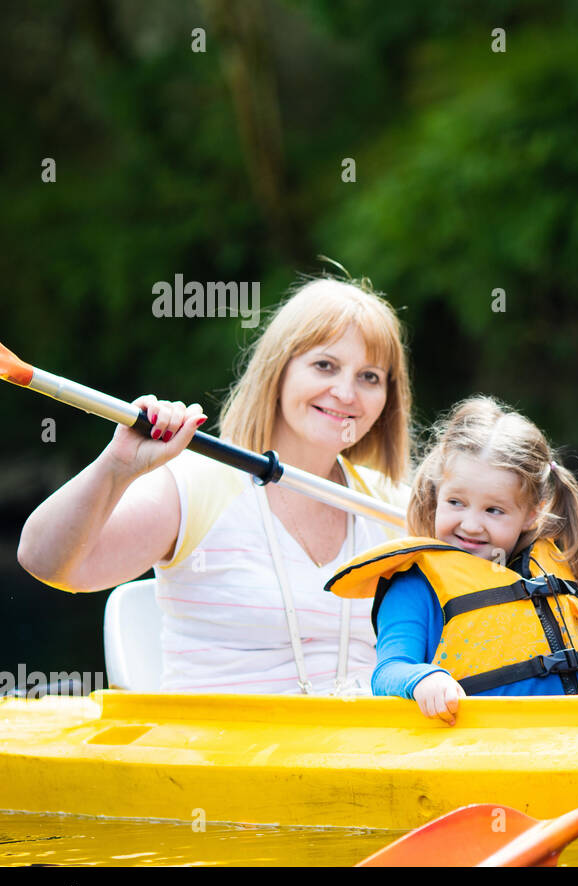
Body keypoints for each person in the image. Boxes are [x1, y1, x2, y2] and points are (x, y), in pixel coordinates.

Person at [17, 277, 413, 695]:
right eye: (324, 365)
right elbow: (48, 562)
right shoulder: (196, 484)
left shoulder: (395, 504)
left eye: (369, 376)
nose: (346, 393)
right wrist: (117, 466)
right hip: (221, 752)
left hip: (361, 752)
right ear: (278, 372)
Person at [328, 395, 578, 723]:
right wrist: (424, 679)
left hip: (570, 739)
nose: (471, 524)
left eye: (494, 510)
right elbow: (389, 671)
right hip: (475, 751)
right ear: (437, 494)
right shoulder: (414, 585)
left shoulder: (541, 575)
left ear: (532, 513)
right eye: (456, 502)